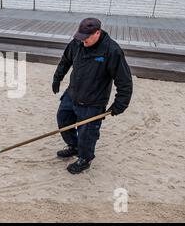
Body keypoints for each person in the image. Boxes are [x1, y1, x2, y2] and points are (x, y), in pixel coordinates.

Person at [52, 17, 133, 174]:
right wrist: (57, 78)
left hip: (93, 101)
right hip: (73, 93)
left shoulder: (112, 50)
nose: (83, 41)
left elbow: (124, 82)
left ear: (98, 32)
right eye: (81, 37)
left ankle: (85, 159)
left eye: (86, 38)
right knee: (63, 119)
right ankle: (73, 146)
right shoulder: (77, 42)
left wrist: (120, 105)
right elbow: (65, 61)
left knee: (87, 133)